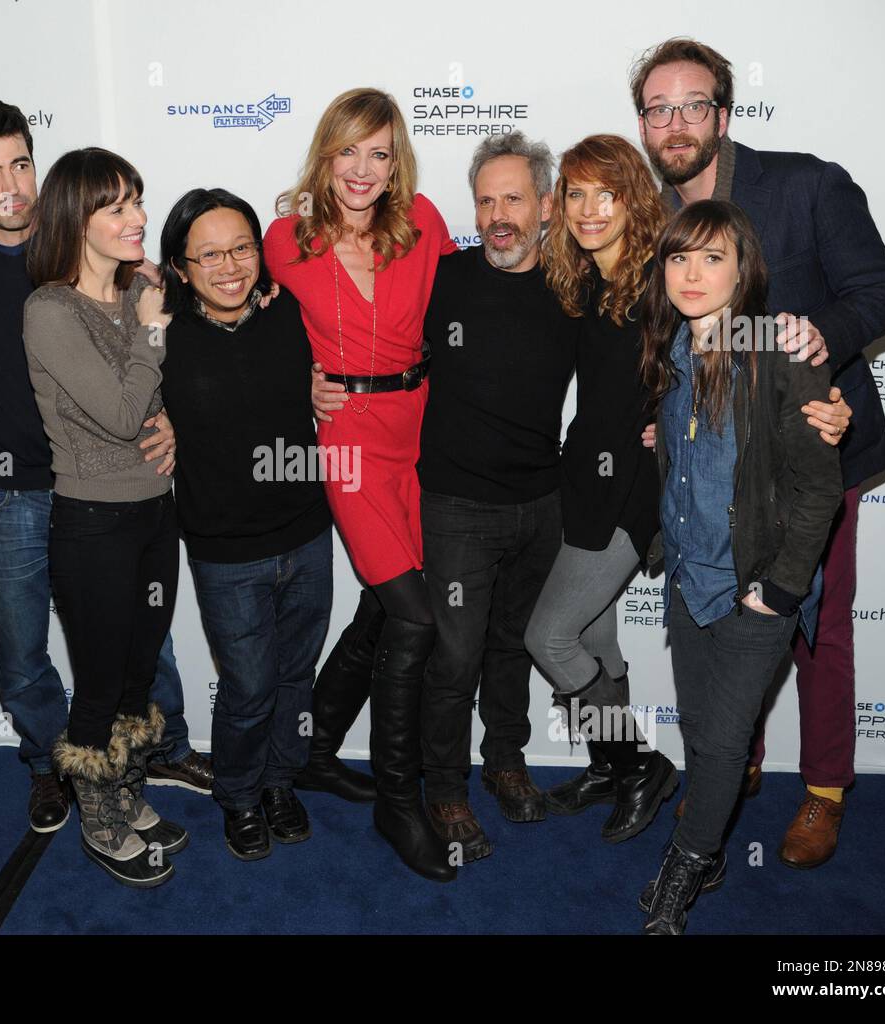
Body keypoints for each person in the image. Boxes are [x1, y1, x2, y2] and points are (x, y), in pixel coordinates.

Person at [631, 38, 885, 868]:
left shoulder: (805, 183)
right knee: (722, 620)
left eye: (691, 105)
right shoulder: (662, 218)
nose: (675, 123)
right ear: (643, 124)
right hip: (714, 477)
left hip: (813, 449)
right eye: (657, 109)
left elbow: (880, 293)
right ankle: (730, 764)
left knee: (815, 627)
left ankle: (824, 791)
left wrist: (823, 337)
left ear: (723, 111)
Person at [0, 99, 209, 838]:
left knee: (139, 648)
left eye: (20, 163)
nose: (10, 184)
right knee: (26, 652)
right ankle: (53, 771)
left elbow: (169, 362)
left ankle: (154, 756)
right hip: (8, 489)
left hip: (116, 486)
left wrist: (172, 422)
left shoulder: (122, 270)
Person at [263, 87, 459, 882]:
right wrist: (301, 383)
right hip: (345, 439)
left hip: (422, 430)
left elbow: (469, 320)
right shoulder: (283, 240)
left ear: (397, 162)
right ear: (326, 153)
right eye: (350, 151)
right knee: (415, 620)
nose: (364, 169)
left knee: (385, 601)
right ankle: (398, 800)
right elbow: (249, 332)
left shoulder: (427, 226)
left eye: (380, 153)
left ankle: (312, 747)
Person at [637, 199, 843, 934]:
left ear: (744, 268)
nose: (693, 274)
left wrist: (780, 591)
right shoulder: (670, 351)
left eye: (712, 258)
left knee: (724, 742)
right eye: (679, 258)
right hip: (691, 581)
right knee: (699, 729)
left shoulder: (781, 352)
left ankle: (686, 869)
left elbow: (818, 489)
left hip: (755, 588)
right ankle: (714, 853)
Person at [23, 147, 185, 888]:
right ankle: (98, 811)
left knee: (138, 670)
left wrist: (174, 422)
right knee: (97, 680)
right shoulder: (49, 309)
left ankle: (128, 787)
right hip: (93, 523)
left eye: (138, 201)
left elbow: (154, 403)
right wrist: (151, 327)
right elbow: (122, 413)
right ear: (75, 218)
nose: (139, 218)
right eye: (116, 206)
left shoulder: (134, 294)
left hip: (156, 514)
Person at [414, 132, 577, 859]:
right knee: (454, 656)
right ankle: (444, 788)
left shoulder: (576, 291)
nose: (499, 215)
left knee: (512, 646)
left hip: (542, 505)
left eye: (514, 198)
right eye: (486, 200)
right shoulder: (442, 279)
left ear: (546, 206)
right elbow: (372, 342)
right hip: (457, 507)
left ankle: (504, 761)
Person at [158, 188, 333, 861]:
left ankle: (281, 782)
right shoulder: (159, 337)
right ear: (180, 267)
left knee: (296, 676)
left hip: (307, 532)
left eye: (241, 248)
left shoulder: (289, 312)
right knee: (248, 686)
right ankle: (237, 794)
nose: (230, 266)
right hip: (225, 549)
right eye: (208, 255)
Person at [526, 135, 679, 844]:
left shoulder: (664, 280)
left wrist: (672, 429)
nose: (589, 209)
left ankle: (639, 765)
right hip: (582, 472)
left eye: (605, 193)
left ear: (634, 198)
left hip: (634, 488)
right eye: (576, 193)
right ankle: (609, 767)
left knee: (549, 636)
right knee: (594, 637)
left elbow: (718, 372)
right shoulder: (584, 279)